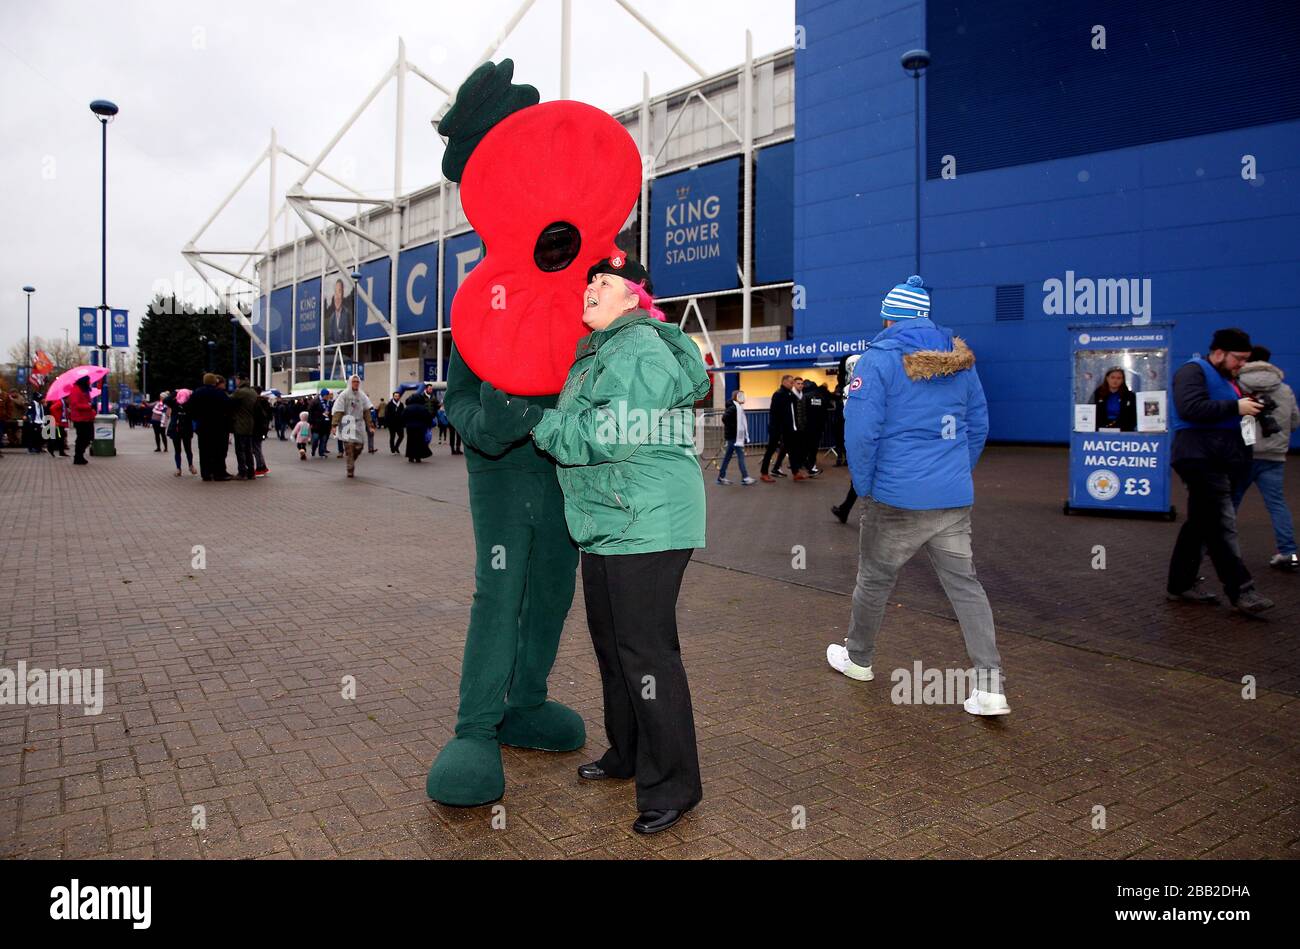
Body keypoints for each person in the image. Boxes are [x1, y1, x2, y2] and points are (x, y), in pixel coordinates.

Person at [498, 259, 710, 835]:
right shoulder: (600, 349)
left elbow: (607, 434)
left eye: (606, 283)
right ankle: (627, 754)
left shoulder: (638, 346)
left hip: (649, 521)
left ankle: (674, 786)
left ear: (635, 300)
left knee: (647, 654)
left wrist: (534, 423)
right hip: (612, 520)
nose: (591, 288)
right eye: (589, 281)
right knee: (614, 649)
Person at [828, 274, 1008, 717]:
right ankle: (990, 686)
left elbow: (862, 433)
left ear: (890, 318)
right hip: (951, 500)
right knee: (966, 588)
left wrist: (866, 487)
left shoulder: (878, 359)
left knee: (874, 580)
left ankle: (859, 659)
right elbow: (978, 425)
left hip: (896, 497)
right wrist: (954, 472)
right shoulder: (961, 361)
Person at [1167, 328, 1274, 615]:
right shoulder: (1192, 372)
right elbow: (1188, 407)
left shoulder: (1229, 380)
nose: (1242, 365)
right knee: (1220, 524)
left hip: (1215, 459)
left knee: (1200, 525)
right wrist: (1235, 406)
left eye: (1245, 360)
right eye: (1238, 359)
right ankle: (1242, 590)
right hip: (1199, 458)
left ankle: (1180, 585)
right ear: (1218, 353)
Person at [1233, 345, 1299, 571]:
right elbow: (1294, 421)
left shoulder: (1237, 386)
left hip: (1243, 454)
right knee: (1277, 505)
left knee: (1230, 504)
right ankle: (1289, 553)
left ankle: (1225, 551)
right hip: (1274, 456)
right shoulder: (1284, 389)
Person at [187, 372, 233, 481]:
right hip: (219, 427)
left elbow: (189, 409)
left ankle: (206, 473)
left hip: (203, 427)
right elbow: (229, 407)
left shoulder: (197, 393)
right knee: (219, 451)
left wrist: (197, 419)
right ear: (214, 382)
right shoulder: (220, 393)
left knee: (204, 451)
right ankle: (219, 473)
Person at [332, 374, 375, 478]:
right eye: (354, 382)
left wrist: (370, 425)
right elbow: (339, 410)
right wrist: (334, 425)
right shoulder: (344, 395)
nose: (356, 383)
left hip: (358, 423)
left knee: (359, 446)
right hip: (347, 421)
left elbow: (366, 411)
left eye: (357, 382)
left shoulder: (362, 395)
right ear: (350, 382)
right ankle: (350, 469)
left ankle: (351, 460)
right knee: (350, 447)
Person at [759, 375, 794, 482]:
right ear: (784, 382)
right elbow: (775, 413)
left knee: (790, 448)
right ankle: (764, 472)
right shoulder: (778, 394)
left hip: (786, 427)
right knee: (771, 450)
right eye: (790, 382)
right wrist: (776, 427)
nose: (792, 384)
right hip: (777, 427)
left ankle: (795, 471)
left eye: (793, 382)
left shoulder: (789, 394)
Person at [717, 390, 756, 485]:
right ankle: (745, 477)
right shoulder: (734, 408)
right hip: (734, 437)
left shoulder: (736, 407)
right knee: (740, 456)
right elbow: (724, 418)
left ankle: (721, 477)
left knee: (728, 457)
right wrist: (734, 427)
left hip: (733, 436)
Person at [1090, 367, 1138, 432]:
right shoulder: (1098, 394)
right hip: (1100, 430)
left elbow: (1134, 417)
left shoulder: (1129, 396)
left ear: (1123, 380)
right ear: (1107, 378)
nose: (1115, 381)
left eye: (1118, 378)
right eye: (1112, 377)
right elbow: (1090, 412)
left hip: (1124, 431)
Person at [229, 375, 258, 480]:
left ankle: (242, 472)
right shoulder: (253, 392)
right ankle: (251, 472)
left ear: (239, 380)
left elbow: (228, 399)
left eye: (236, 379)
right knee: (248, 450)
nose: (235, 381)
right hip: (250, 424)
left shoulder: (240, 392)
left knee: (240, 450)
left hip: (240, 424)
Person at [68, 376, 97, 466]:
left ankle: (79, 455)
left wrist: (91, 407)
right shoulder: (75, 390)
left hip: (87, 418)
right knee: (82, 438)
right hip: (80, 419)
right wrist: (89, 407)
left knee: (88, 437)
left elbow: (86, 402)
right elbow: (75, 405)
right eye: (88, 381)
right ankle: (78, 456)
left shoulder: (84, 390)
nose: (89, 382)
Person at [166, 389, 196, 476]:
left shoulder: (190, 404)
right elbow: (166, 400)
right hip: (176, 429)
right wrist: (175, 392)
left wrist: (191, 393)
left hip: (186, 429)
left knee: (188, 449)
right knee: (177, 450)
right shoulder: (174, 403)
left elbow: (196, 400)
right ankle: (178, 468)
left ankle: (191, 465)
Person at [402, 389, 433, 462]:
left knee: (410, 441)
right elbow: (428, 417)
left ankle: (410, 456)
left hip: (410, 427)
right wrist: (428, 425)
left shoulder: (408, 408)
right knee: (419, 442)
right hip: (420, 427)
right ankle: (418, 457)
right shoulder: (423, 408)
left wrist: (405, 424)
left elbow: (403, 416)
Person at [251, 386, 273, 477]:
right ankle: (263, 466)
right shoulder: (265, 402)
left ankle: (260, 468)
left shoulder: (258, 403)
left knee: (256, 448)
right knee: (257, 448)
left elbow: (259, 417)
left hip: (257, 428)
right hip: (262, 429)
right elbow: (269, 416)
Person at [309, 389, 332, 458]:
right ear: (323, 395)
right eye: (327, 395)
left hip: (326, 424)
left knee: (323, 439)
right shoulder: (315, 402)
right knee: (315, 439)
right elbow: (310, 412)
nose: (328, 397)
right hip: (317, 424)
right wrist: (311, 422)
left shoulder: (329, 403)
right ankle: (313, 450)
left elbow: (331, 412)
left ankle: (321, 453)